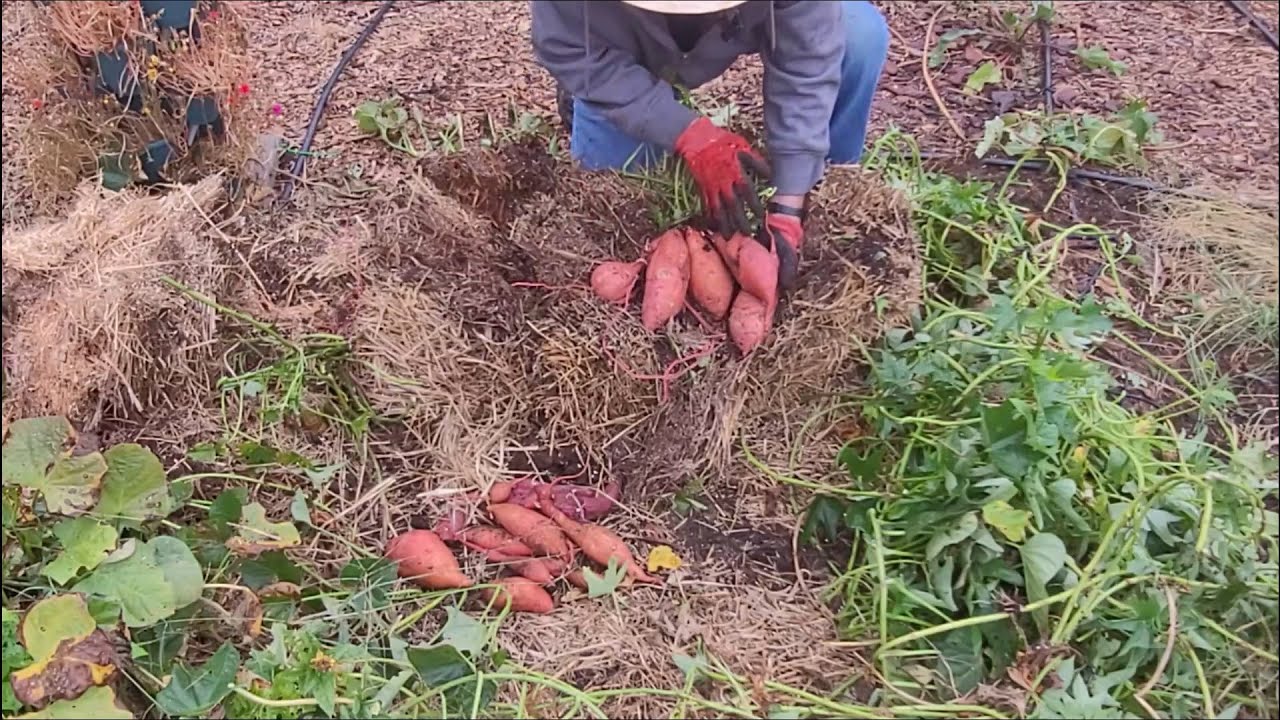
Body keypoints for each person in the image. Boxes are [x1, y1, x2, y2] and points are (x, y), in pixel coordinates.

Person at [531, 0, 889, 292]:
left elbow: (806, 64)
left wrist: (789, 207)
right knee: (616, 209)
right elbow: (568, 50)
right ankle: (603, 99)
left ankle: (829, 181)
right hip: (617, 50)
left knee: (858, 34)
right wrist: (686, 133)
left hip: (744, 20)